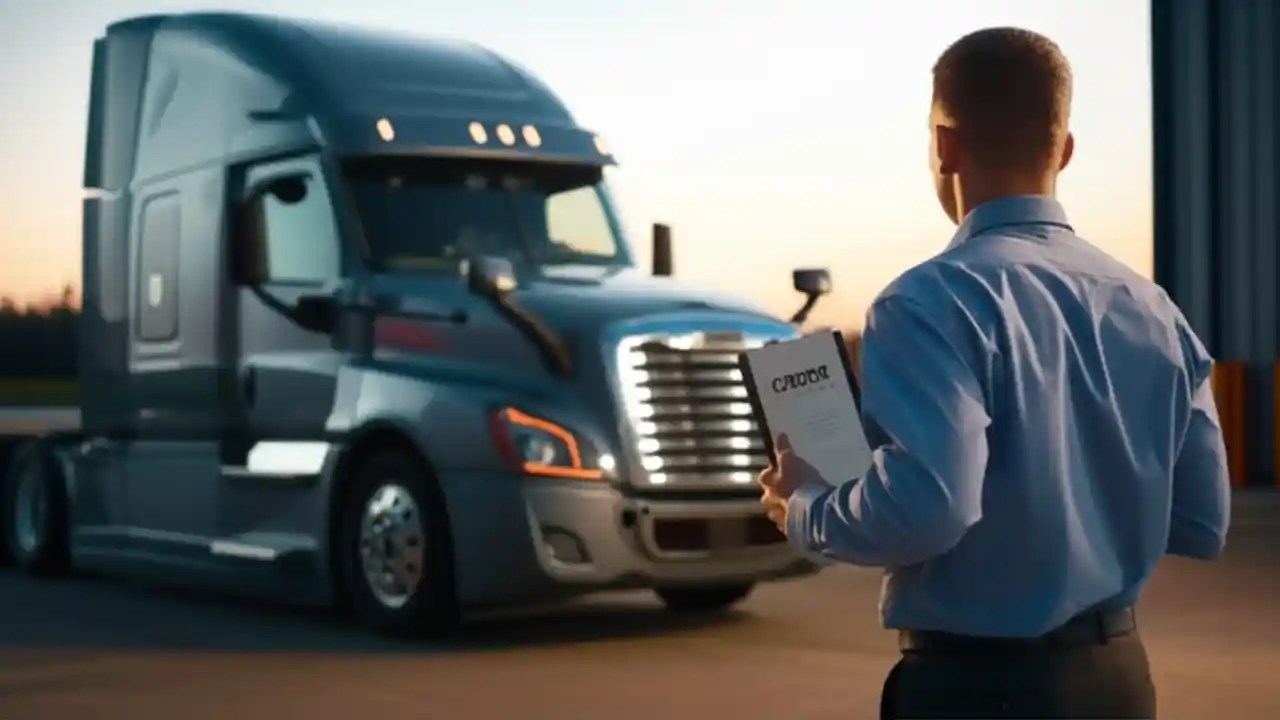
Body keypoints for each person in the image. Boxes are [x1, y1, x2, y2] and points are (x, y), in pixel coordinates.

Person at [758, 27, 1231, 719]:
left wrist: (805, 506)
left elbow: (930, 509)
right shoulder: (1153, 307)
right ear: (1063, 151)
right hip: (1120, 680)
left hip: (980, 688)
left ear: (944, 146)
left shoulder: (928, 301)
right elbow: (1202, 518)